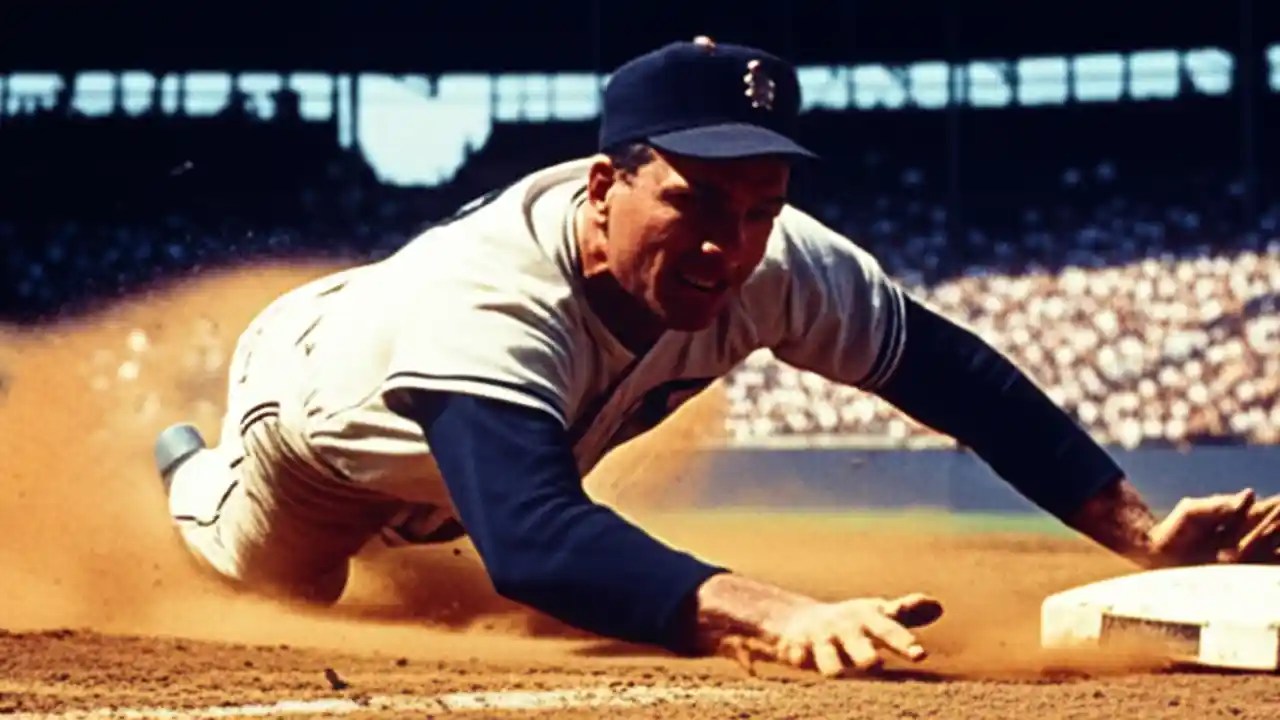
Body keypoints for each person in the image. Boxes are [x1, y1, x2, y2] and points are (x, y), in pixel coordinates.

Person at [155, 37, 1280, 678]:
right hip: (307, 427)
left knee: (470, 524)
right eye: (691, 201)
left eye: (757, 205)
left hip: (475, 454)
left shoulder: (776, 260)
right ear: (604, 186)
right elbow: (533, 541)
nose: (725, 242)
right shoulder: (485, 296)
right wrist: (772, 611)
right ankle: (178, 461)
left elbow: (956, 378)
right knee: (289, 583)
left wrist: (1135, 529)